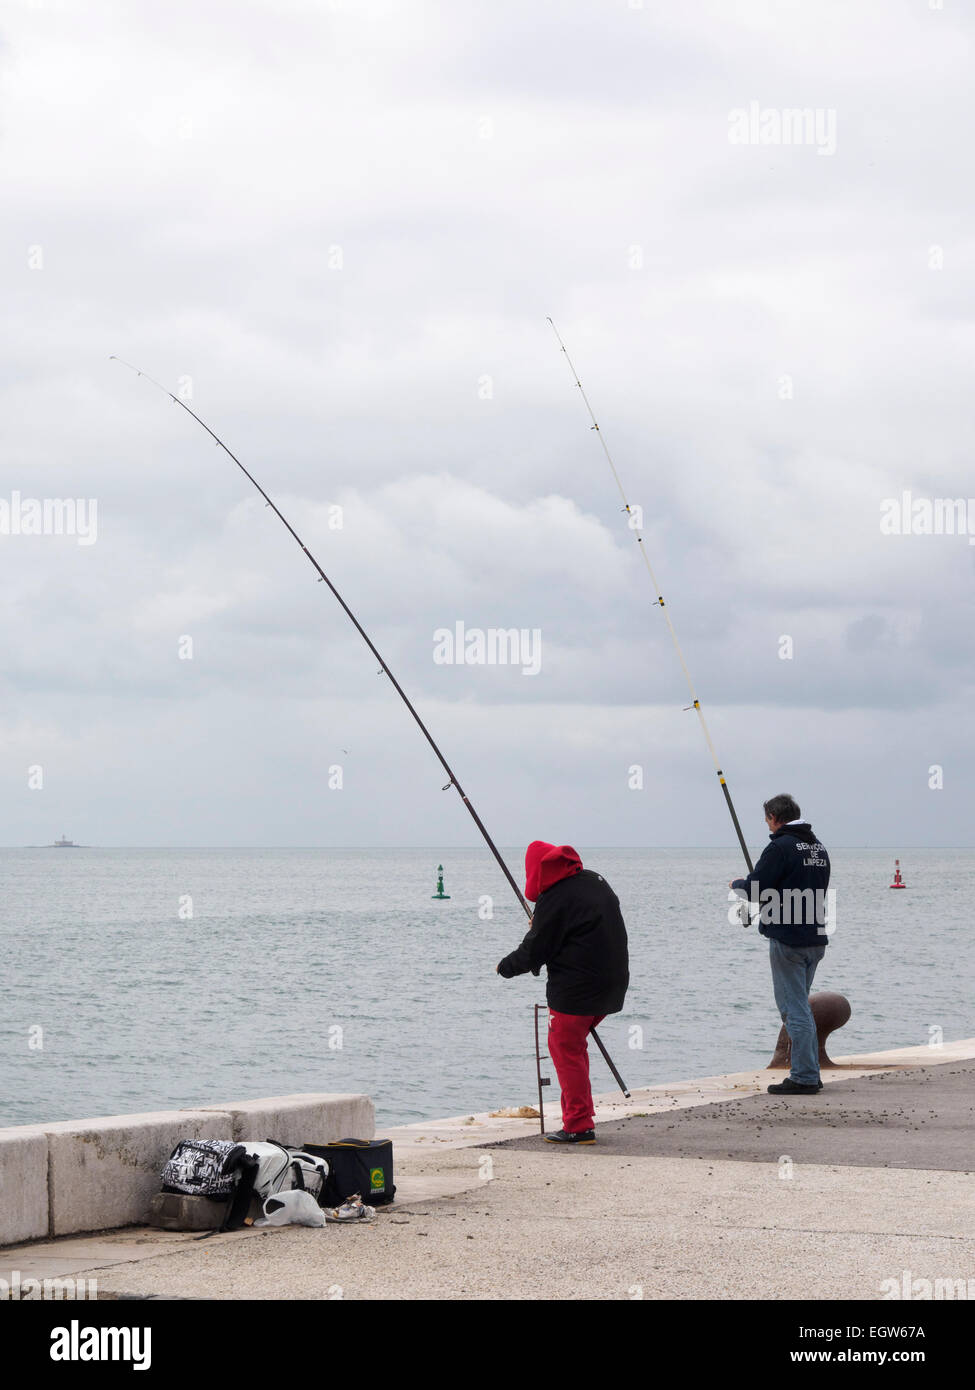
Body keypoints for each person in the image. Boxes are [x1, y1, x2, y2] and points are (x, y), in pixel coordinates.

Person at [497, 841, 629, 1144]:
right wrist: (543, 924)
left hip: (576, 990)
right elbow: (581, 927)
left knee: (565, 1049)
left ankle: (579, 1125)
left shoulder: (554, 898)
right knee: (573, 1046)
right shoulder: (595, 881)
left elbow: (534, 951)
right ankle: (578, 1117)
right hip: (611, 985)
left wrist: (504, 967)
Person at [730, 794, 831, 1096]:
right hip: (815, 937)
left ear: (775, 817)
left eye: (767, 822)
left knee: (793, 1009)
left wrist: (738, 885)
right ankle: (810, 1070)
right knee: (801, 1006)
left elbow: (756, 888)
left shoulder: (780, 847)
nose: (768, 828)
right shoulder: (818, 848)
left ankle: (803, 1076)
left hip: (788, 940)